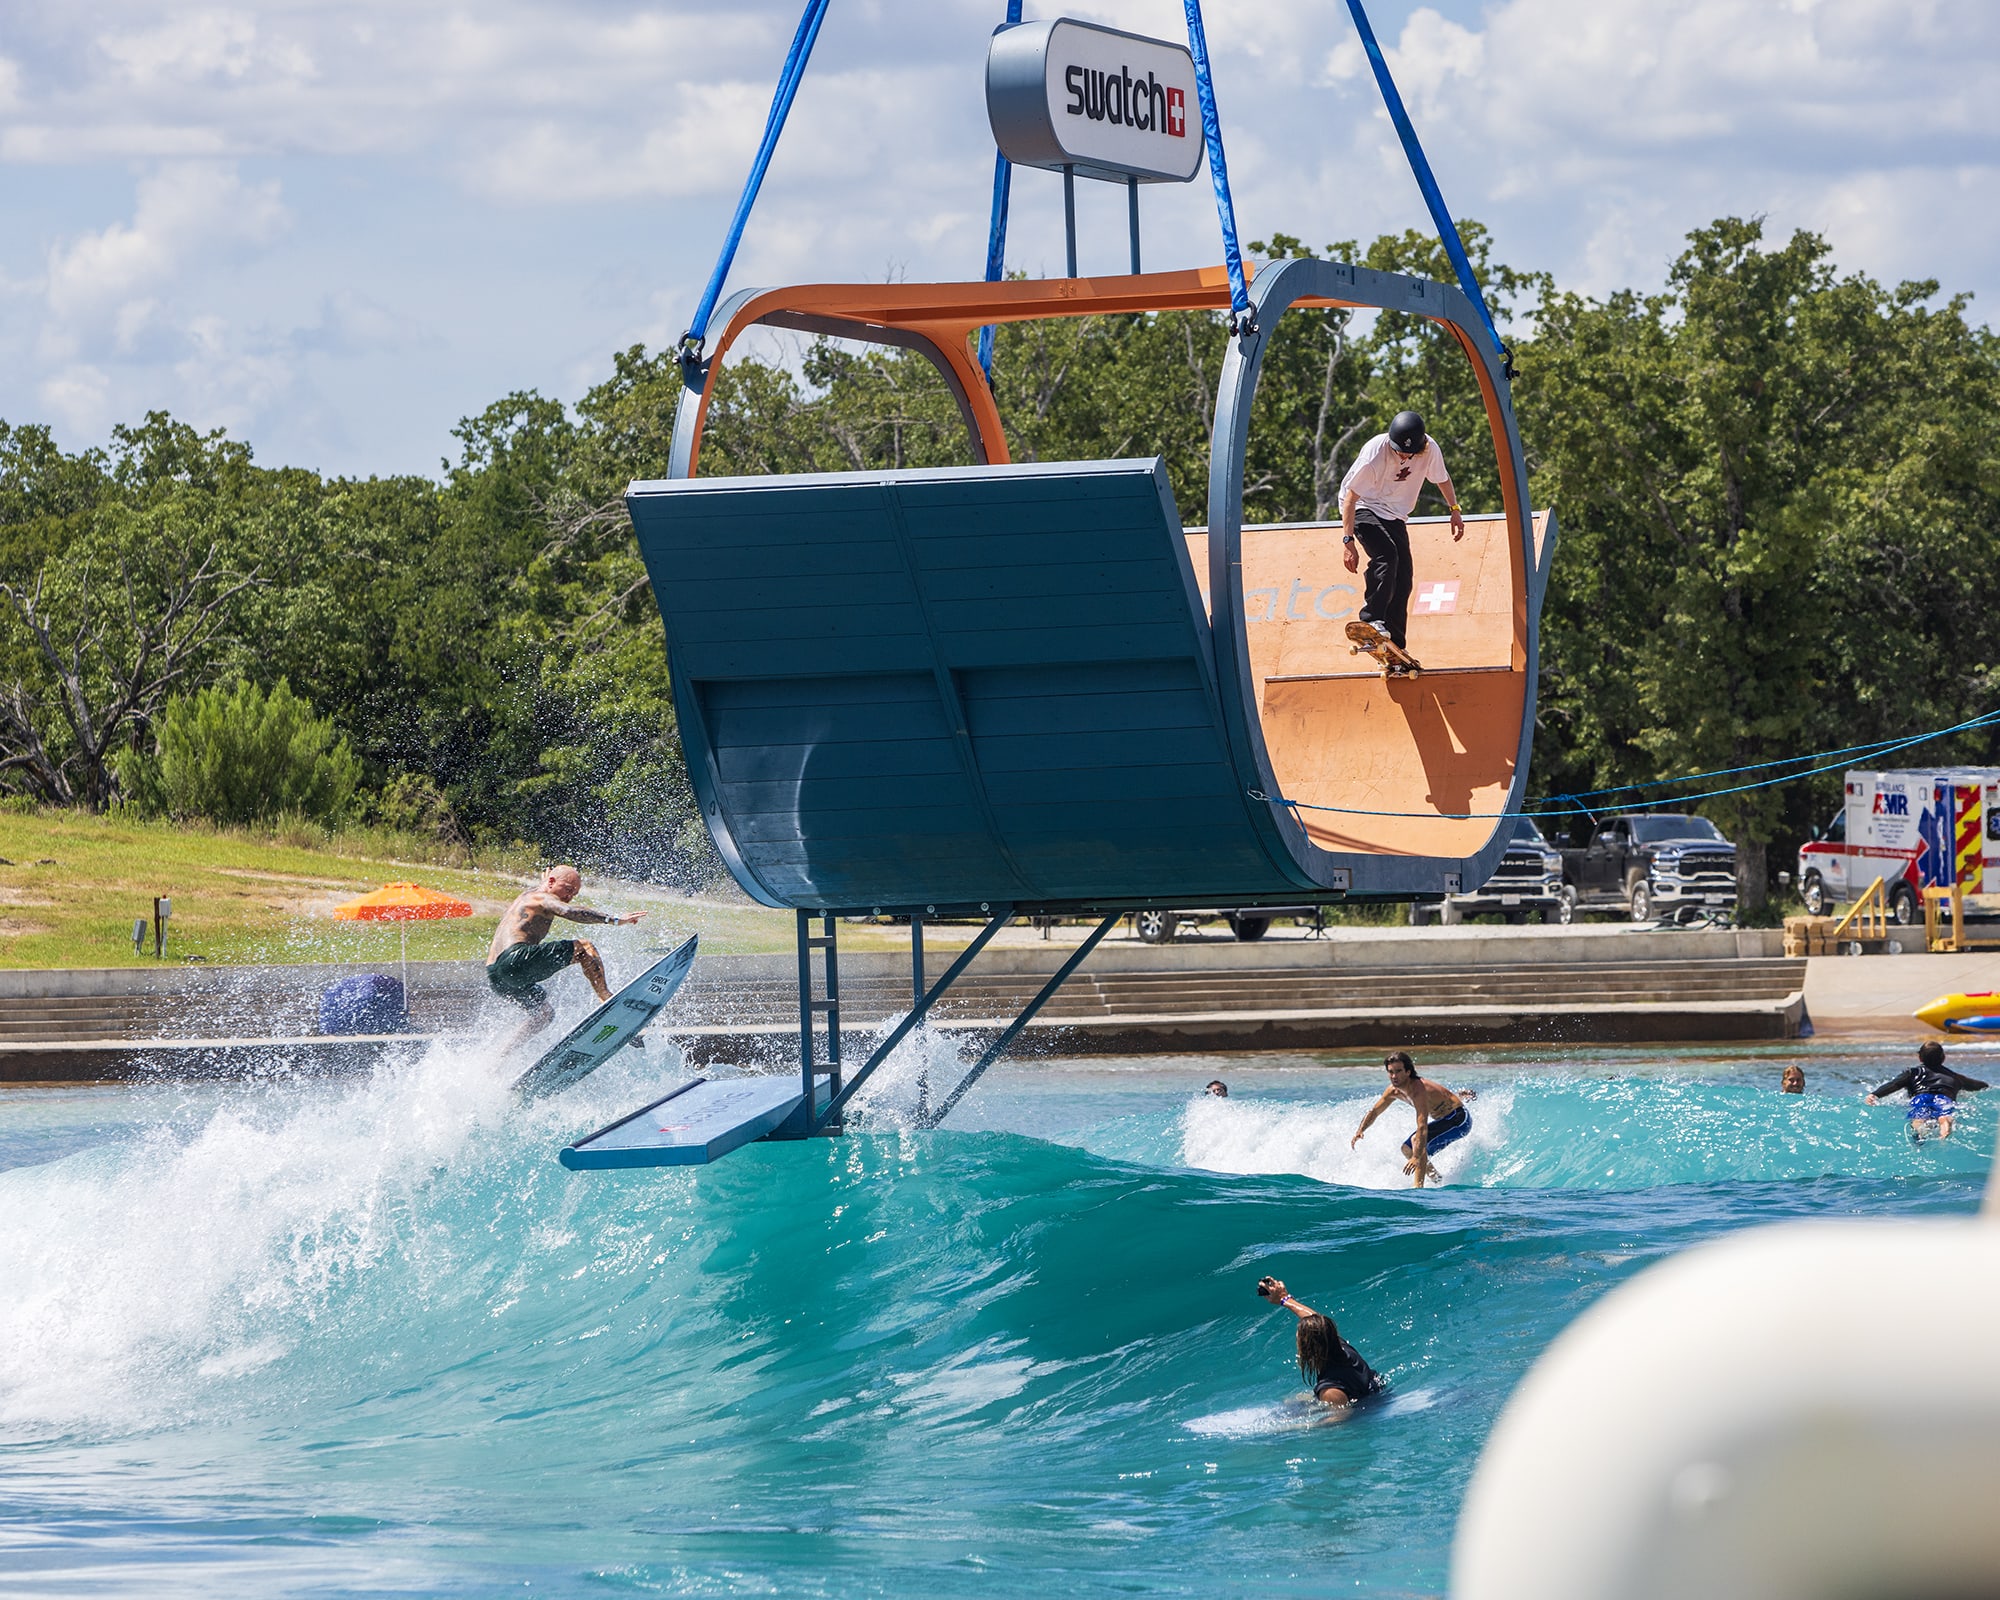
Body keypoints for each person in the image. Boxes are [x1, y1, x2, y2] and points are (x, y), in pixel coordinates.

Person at [1339, 410, 1466, 670]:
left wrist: (1454, 510)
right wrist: (1348, 541)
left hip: (1395, 514)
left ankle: (1395, 642)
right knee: (1387, 555)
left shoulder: (1430, 449)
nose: (1404, 456)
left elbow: (1442, 479)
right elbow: (1351, 499)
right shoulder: (1375, 453)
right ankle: (1371, 619)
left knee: (1404, 575)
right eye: (1399, 452)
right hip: (1363, 506)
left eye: (1409, 453)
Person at [486, 865, 645, 1052]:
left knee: (544, 1015)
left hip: (496, 976)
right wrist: (615, 919)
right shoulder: (545, 898)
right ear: (552, 882)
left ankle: (500, 1056)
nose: (569, 897)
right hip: (516, 960)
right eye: (568, 889)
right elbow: (568, 911)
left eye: (574, 894)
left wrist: (549, 882)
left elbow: (548, 889)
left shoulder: (530, 895)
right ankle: (606, 999)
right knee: (584, 948)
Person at [1350, 1050, 1475, 1186]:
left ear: (1408, 1072)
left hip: (1459, 1120)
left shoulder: (1419, 1090)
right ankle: (1438, 1180)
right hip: (1444, 1120)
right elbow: (1374, 1111)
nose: (1394, 1076)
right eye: (1391, 1072)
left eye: (1398, 1071)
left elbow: (1422, 1126)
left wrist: (1416, 1157)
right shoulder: (1393, 1091)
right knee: (1406, 1148)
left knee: (1416, 1143)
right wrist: (1360, 1130)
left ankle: (1417, 1188)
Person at [1256, 1275, 1383, 1405]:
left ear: (1310, 1350)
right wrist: (1284, 1299)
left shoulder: (1330, 1390)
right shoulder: (1341, 1348)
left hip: (1368, 1411)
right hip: (1374, 1392)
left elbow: (1339, 1421)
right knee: (1292, 1400)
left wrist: (1291, 1426)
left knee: (1290, 1404)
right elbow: (1316, 1321)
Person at [1866, 1040, 1988, 1140]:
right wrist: (1986, 1085)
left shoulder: (1912, 1073)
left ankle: (1920, 1134)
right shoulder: (1955, 1078)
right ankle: (1944, 1131)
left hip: (1921, 1097)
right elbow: (1978, 1085)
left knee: (1919, 1117)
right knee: (1944, 1115)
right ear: (1943, 1058)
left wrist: (1874, 1094)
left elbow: (1894, 1085)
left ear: (1920, 1058)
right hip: (1944, 1099)